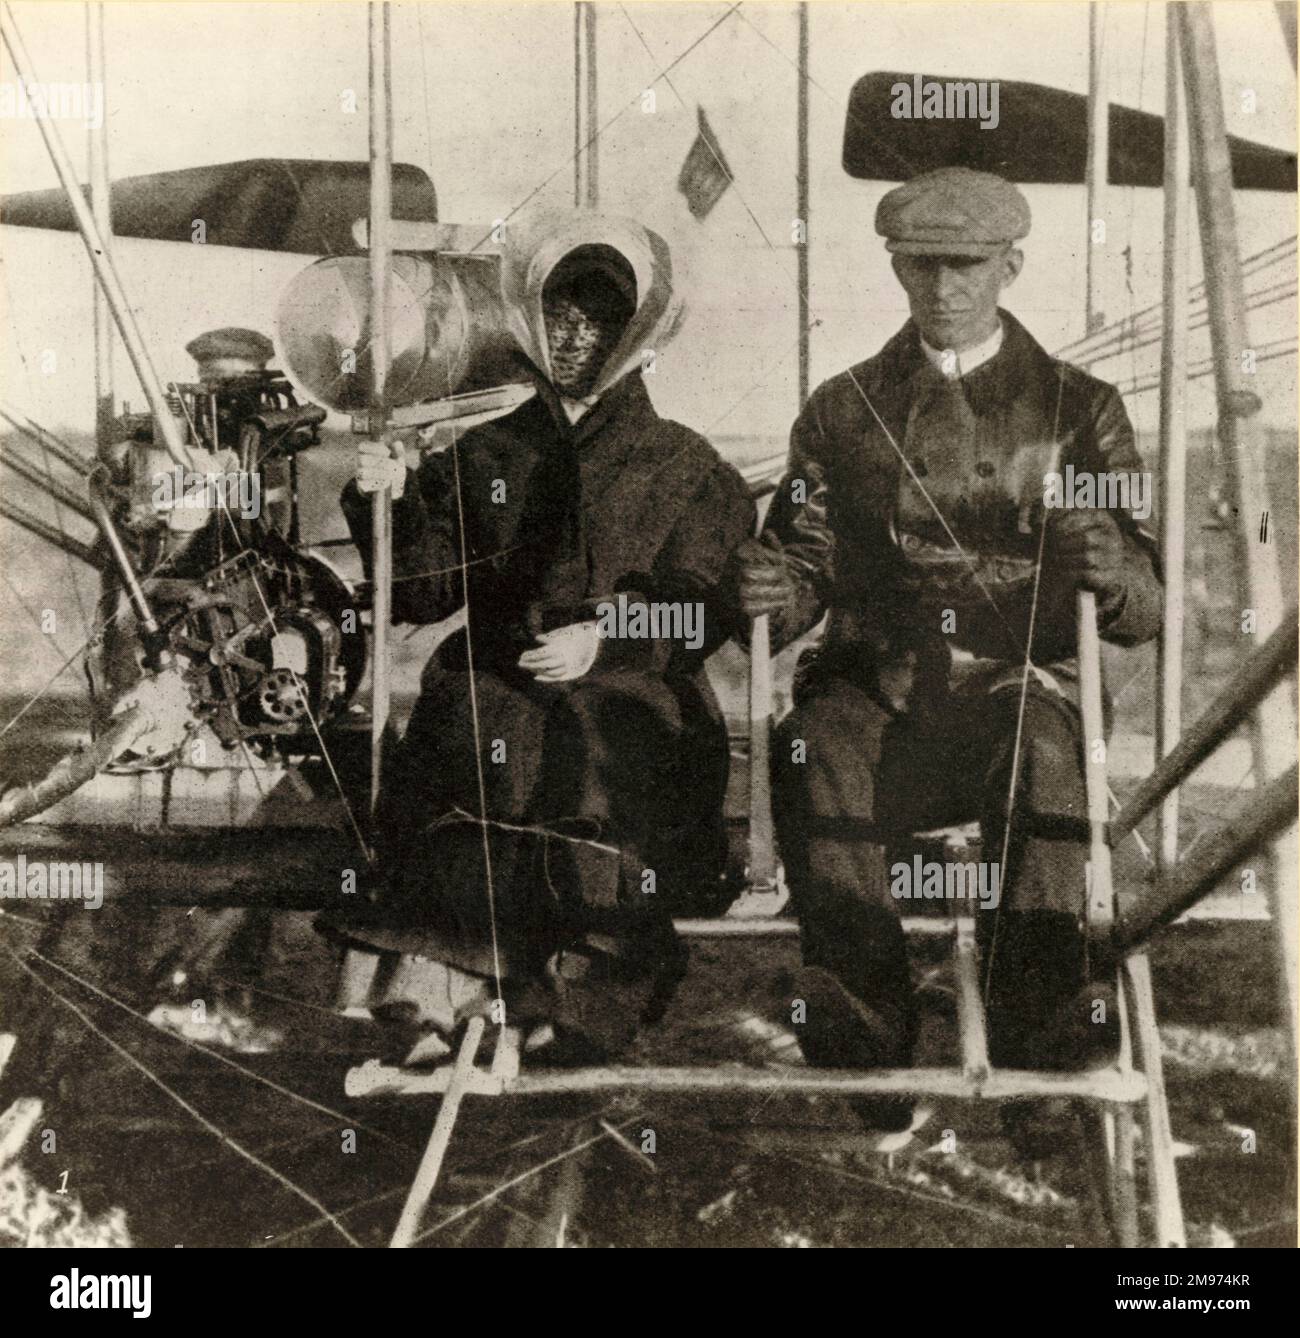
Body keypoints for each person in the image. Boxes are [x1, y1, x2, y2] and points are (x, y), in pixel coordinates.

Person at [733, 167, 1162, 1133]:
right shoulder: (844, 409)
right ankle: (863, 1008)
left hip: (1021, 685)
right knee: (812, 744)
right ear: (895, 269)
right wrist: (779, 590)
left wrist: (1114, 562)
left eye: (965, 265)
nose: (943, 287)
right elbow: (808, 561)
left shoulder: (1078, 410)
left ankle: (1039, 1014)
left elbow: (1144, 607)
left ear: (1010, 266)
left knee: (1048, 750)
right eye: (920, 265)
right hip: (879, 690)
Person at [327, 213, 754, 1061]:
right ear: (528, 316)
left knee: (598, 746)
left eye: (598, 316)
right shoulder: (487, 452)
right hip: (497, 676)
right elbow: (422, 590)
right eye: (559, 310)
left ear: (636, 334)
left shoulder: (685, 466)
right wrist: (388, 500)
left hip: (636, 688)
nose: (574, 334)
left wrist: (609, 639)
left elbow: (708, 604)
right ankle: (435, 993)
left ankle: (580, 999)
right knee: (474, 726)